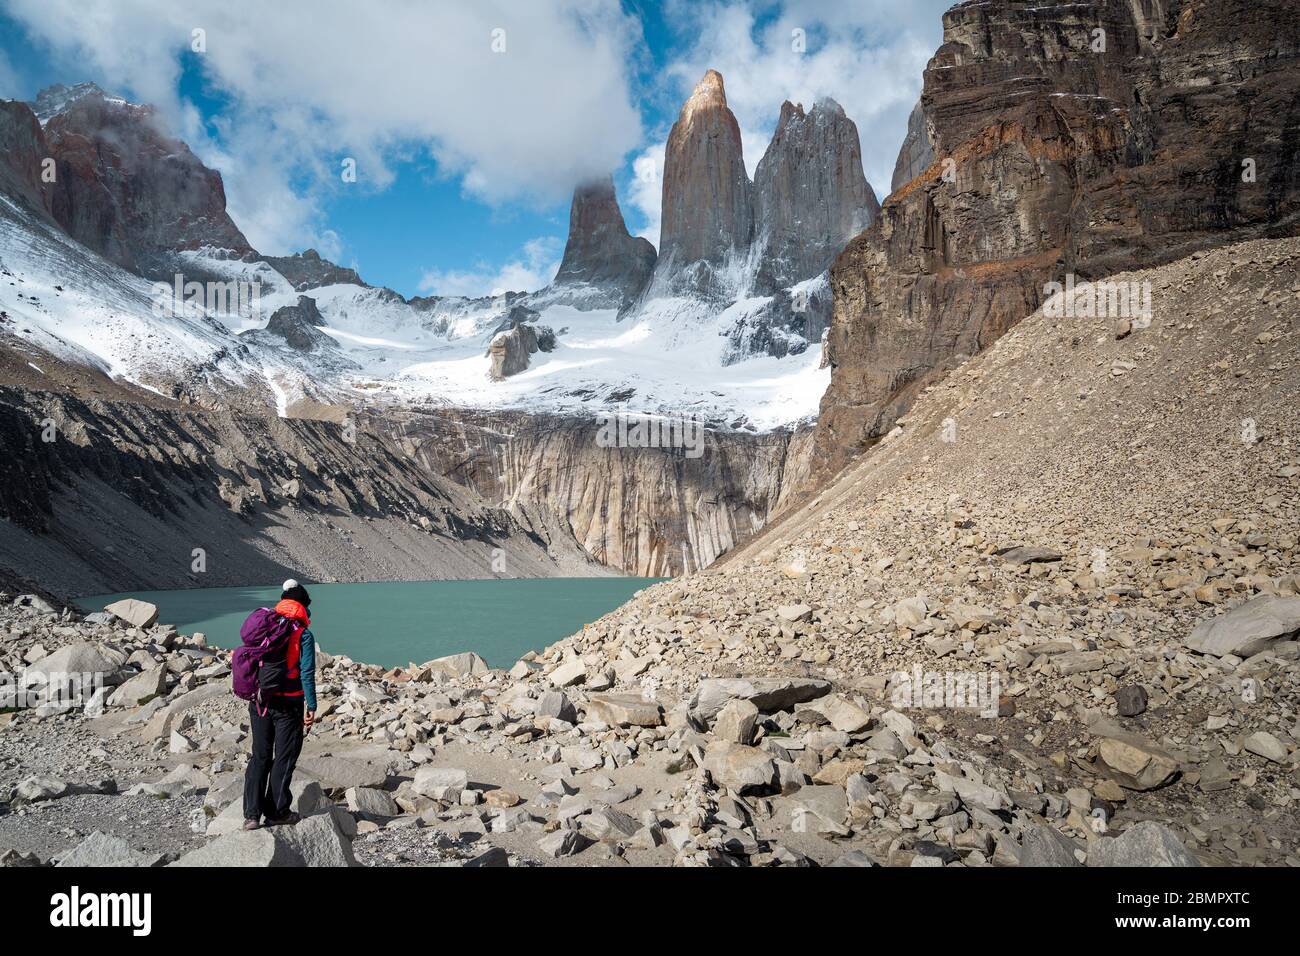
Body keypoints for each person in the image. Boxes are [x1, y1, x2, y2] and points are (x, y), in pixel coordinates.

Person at [242, 578, 317, 830]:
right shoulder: (303, 634)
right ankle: (277, 812)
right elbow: (306, 673)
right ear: (303, 607)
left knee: (260, 756)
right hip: (289, 704)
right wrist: (312, 705)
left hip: (260, 701)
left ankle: (251, 815)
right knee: (284, 758)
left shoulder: (265, 625)